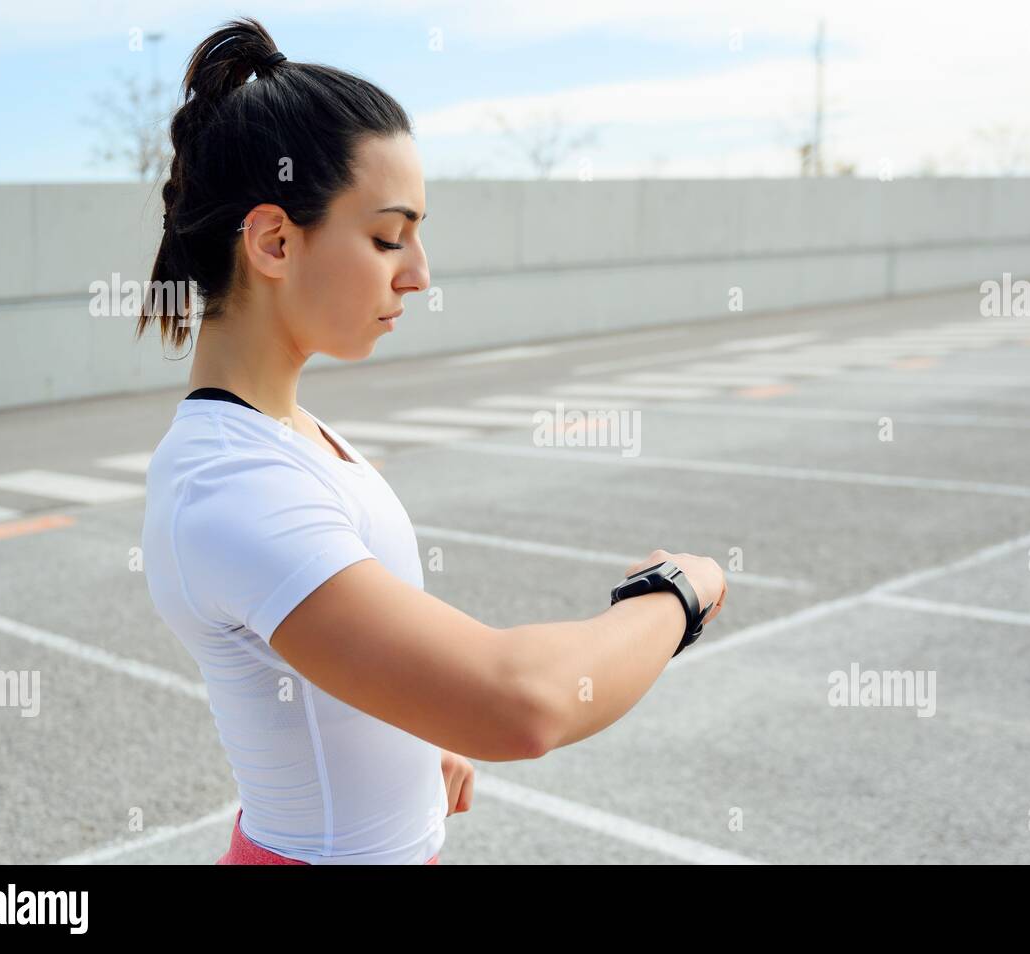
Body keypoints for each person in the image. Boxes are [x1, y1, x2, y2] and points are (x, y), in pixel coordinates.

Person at [137, 17, 727, 865]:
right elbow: (519, 705)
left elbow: (344, 663)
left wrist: (411, 737)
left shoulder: (291, 434)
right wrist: (676, 594)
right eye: (387, 236)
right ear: (273, 241)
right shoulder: (230, 485)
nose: (418, 271)